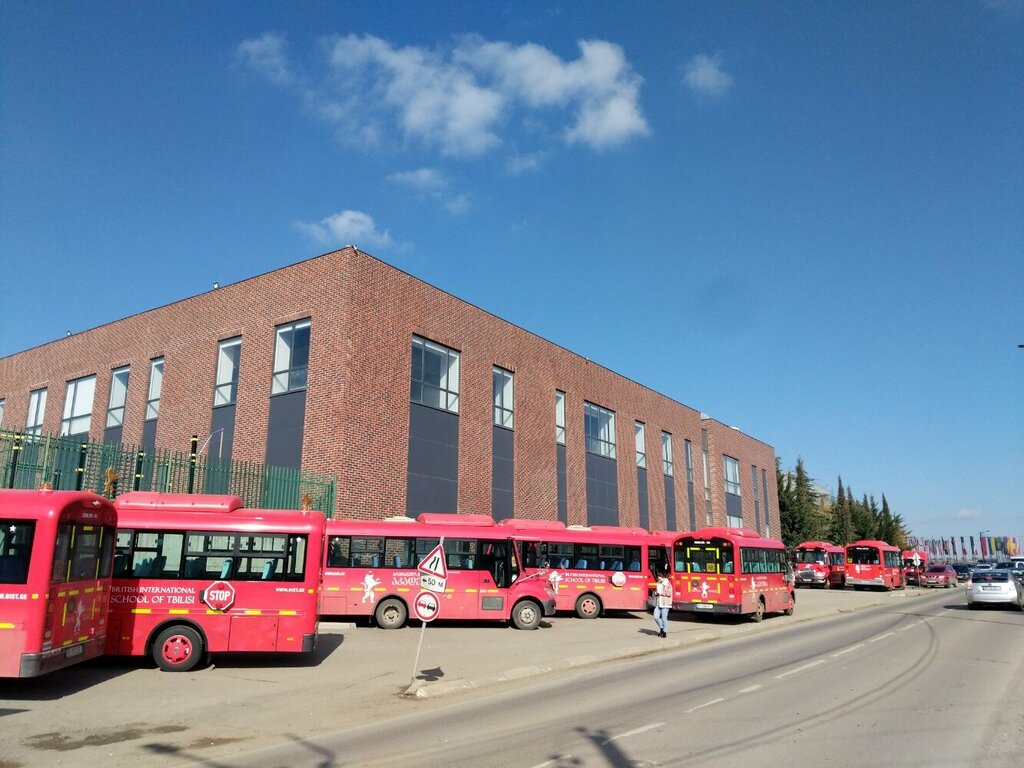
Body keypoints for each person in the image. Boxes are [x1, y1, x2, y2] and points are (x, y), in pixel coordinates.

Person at [653, 566, 672, 638]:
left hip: (666, 604)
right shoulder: (658, 583)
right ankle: (661, 628)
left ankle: (664, 632)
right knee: (655, 617)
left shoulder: (668, 584)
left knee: (664, 618)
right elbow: (656, 591)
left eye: (659, 577)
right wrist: (655, 593)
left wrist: (660, 593)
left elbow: (669, 594)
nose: (658, 579)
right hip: (659, 603)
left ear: (663, 578)